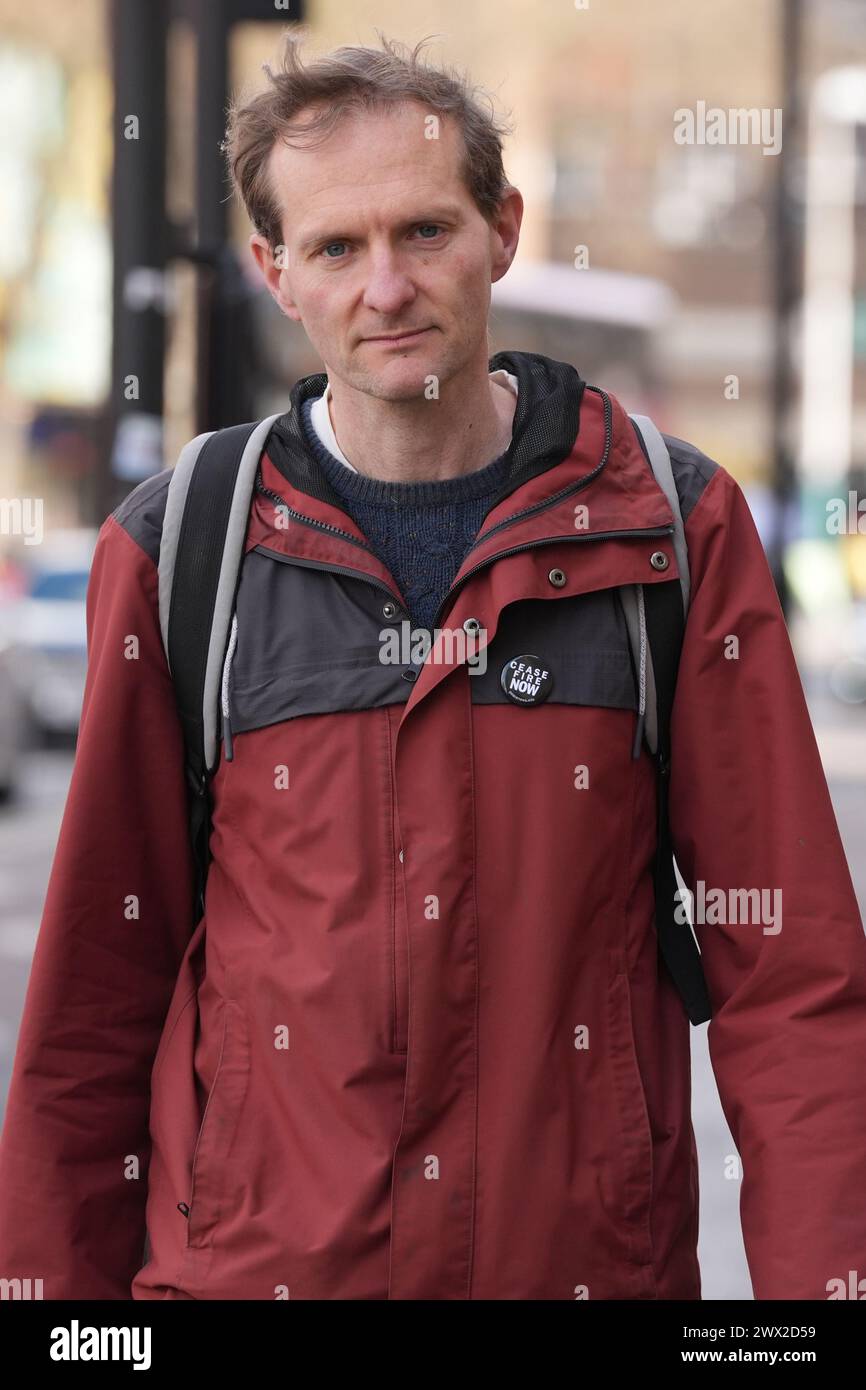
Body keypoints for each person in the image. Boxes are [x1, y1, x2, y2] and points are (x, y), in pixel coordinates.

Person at [1, 31, 865, 1303]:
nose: (386, 287)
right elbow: (93, 1002)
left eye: (423, 231)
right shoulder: (183, 548)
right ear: (273, 270)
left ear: (502, 230)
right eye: (337, 247)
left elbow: (788, 979)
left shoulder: (671, 529)